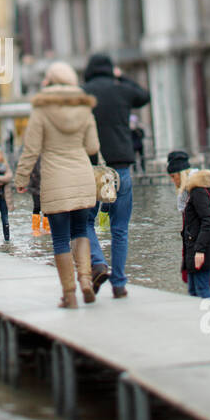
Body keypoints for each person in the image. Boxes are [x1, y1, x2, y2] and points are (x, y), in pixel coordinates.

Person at [14, 62, 100, 307]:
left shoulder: (41, 111)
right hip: (81, 177)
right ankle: (85, 280)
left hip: (54, 179)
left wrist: (21, 179)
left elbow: (31, 150)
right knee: (81, 231)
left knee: (60, 239)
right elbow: (93, 147)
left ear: (49, 83)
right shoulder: (85, 109)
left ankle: (70, 294)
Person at [83, 52, 151, 298]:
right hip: (120, 169)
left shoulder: (84, 93)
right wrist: (123, 77)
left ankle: (99, 262)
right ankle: (120, 284)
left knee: (85, 222)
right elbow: (145, 95)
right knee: (119, 228)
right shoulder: (121, 88)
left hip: (94, 168)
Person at [166, 150, 210, 299]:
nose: (173, 181)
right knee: (194, 292)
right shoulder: (189, 193)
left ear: (181, 174)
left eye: (173, 177)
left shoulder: (198, 191)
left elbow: (208, 221)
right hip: (193, 250)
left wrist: (200, 251)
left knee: (202, 291)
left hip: (200, 250)